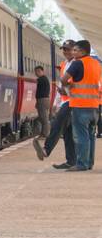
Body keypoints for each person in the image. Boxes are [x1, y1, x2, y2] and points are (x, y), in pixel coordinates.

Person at [34, 40, 77, 168]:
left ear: (75, 50)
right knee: (68, 132)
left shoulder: (76, 64)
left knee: (57, 124)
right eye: (64, 49)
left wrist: (66, 92)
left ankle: (46, 150)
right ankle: (71, 161)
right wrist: (56, 103)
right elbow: (61, 84)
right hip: (65, 101)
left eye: (68, 49)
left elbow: (75, 84)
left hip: (72, 101)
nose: (66, 52)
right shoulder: (64, 64)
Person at [62, 39, 101, 171]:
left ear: (83, 51)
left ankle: (82, 164)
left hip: (80, 105)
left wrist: (68, 85)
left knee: (81, 136)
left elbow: (63, 79)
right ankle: (89, 163)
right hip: (94, 106)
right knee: (90, 135)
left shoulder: (78, 63)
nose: (73, 52)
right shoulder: (97, 64)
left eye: (75, 50)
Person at [34, 65, 51, 137]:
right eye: (36, 72)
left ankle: (45, 134)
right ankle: (44, 133)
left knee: (44, 118)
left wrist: (21, 78)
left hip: (43, 100)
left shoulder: (43, 79)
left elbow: (33, 81)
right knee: (42, 117)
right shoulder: (43, 79)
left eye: (38, 71)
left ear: (42, 71)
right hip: (42, 100)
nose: (37, 73)